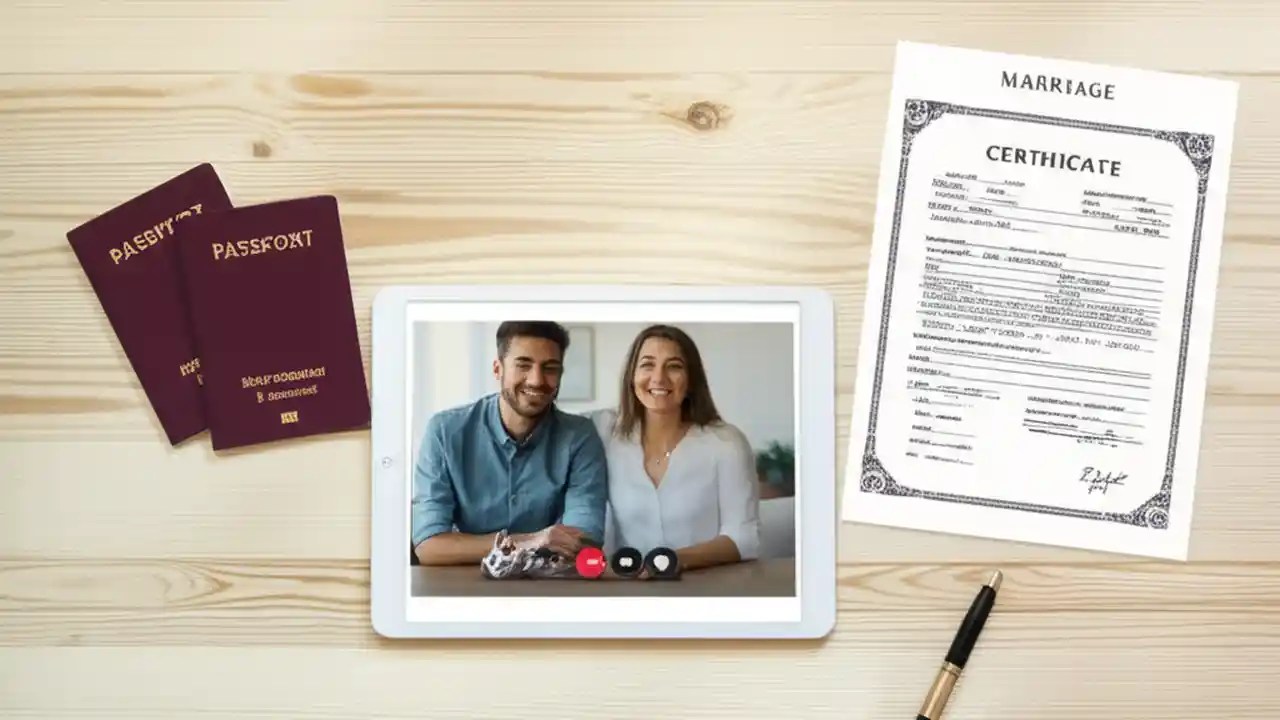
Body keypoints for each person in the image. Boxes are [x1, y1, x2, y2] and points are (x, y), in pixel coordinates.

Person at [411, 321, 608, 566]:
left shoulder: (579, 436)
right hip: (467, 584)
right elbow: (429, 546)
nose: (536, 380)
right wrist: (528, 541)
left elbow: (582, 540)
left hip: (549, 585)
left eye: (550, 368)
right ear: (498, 369)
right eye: (523, 365)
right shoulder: (444, 431)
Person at [591, 324, 760, 575]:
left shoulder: (726, 444)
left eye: (674, 366)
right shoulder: (604, 431)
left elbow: (743, 538)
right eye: (647, 365)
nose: (659, 378)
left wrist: (666, 561)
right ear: (631, 376)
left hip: (707, 589)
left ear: (691, 379)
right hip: (630, 592)